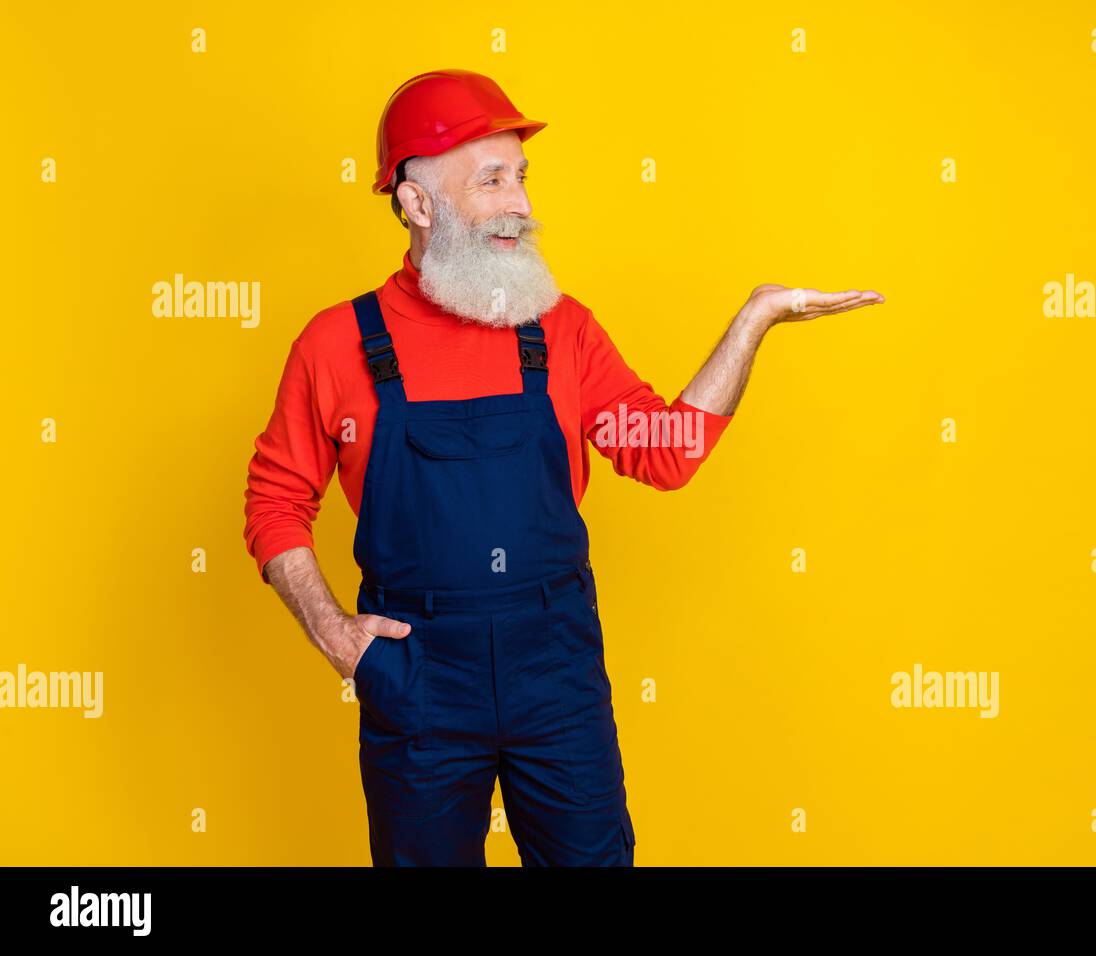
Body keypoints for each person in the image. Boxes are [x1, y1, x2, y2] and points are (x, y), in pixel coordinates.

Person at [242, 69, 885, 866]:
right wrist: (338, 636)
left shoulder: (561, 333)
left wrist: (752, 321)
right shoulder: (337, 345)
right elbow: (275, 501)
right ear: (415, 202)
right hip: (416, 672)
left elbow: (666, 453)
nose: (521, 204)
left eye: (521, 178)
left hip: (554, 665)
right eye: (492, 180)